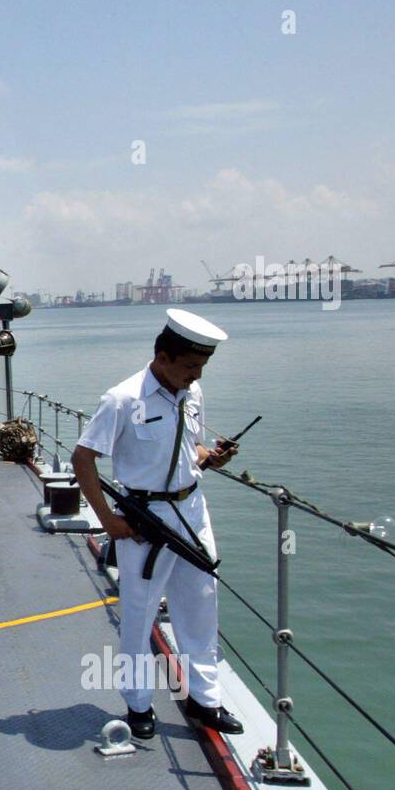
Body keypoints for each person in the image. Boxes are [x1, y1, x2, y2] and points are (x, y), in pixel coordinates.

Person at [71, 309, 243, 740]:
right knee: (138, 613)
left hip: (193, 512)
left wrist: (212, 458)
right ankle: (138, 705)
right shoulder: (123, 399)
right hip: (145, 520)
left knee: (202, 607)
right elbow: (83, 458)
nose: (196, 374)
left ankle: (206, 701)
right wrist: (109, 521)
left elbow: (191, 450)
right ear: (162, 357)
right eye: (189, 366)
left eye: (201, 367)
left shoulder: (193, 392)